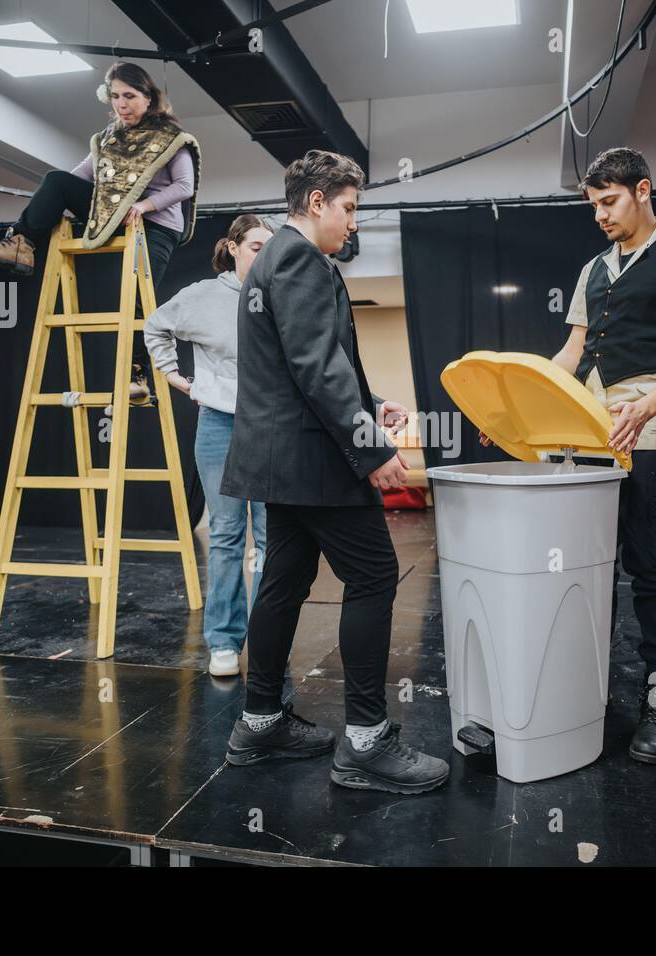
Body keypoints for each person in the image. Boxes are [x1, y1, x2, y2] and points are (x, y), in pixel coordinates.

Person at [218, 149, 450, 794]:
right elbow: (318, 368)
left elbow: (299, 366)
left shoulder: (271, 260)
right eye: (350, 208)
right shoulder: (298, 259)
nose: (354, 223)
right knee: (375, 576)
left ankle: (260, 723)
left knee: (283, 581)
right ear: (317, 202)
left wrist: (370, 406)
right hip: (312, 460)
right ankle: (367, 745)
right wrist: (372, 448)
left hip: (281, 459)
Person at [540, 146, 656, 764]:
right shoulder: (593, 270)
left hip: (653, 435)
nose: (599, 215)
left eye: (610, 201)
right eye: (593, 205)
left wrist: (647, 408)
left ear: (643, 190)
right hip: (591, 440)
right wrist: (523, 404)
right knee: (588, 575)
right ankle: (585, 692)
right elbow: (572, 354)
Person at [0, 61, 201, 403]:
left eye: (130, 96)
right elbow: (77, 178)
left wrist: (143, 206)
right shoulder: (108, 139)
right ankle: (21, 243)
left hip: (155, 225)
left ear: (148, 98)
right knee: (56, 181)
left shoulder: (170, 139)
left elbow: (184, 186)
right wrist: (50, 200)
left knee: (137, 297)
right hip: (113, 214)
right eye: (116, 96)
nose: (122, 104)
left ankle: (137, 376)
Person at [142, 215, 273, 678]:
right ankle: (222, 641)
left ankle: (266, 640)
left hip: (272, 429)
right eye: (257, 246)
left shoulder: (280, 295)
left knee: (272, 538)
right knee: (225, 535)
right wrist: (176, 377)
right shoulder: (202, 297)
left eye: (270, 249)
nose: (264, 256)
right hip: (219, 424)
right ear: (234, 247)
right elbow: (155, 326)